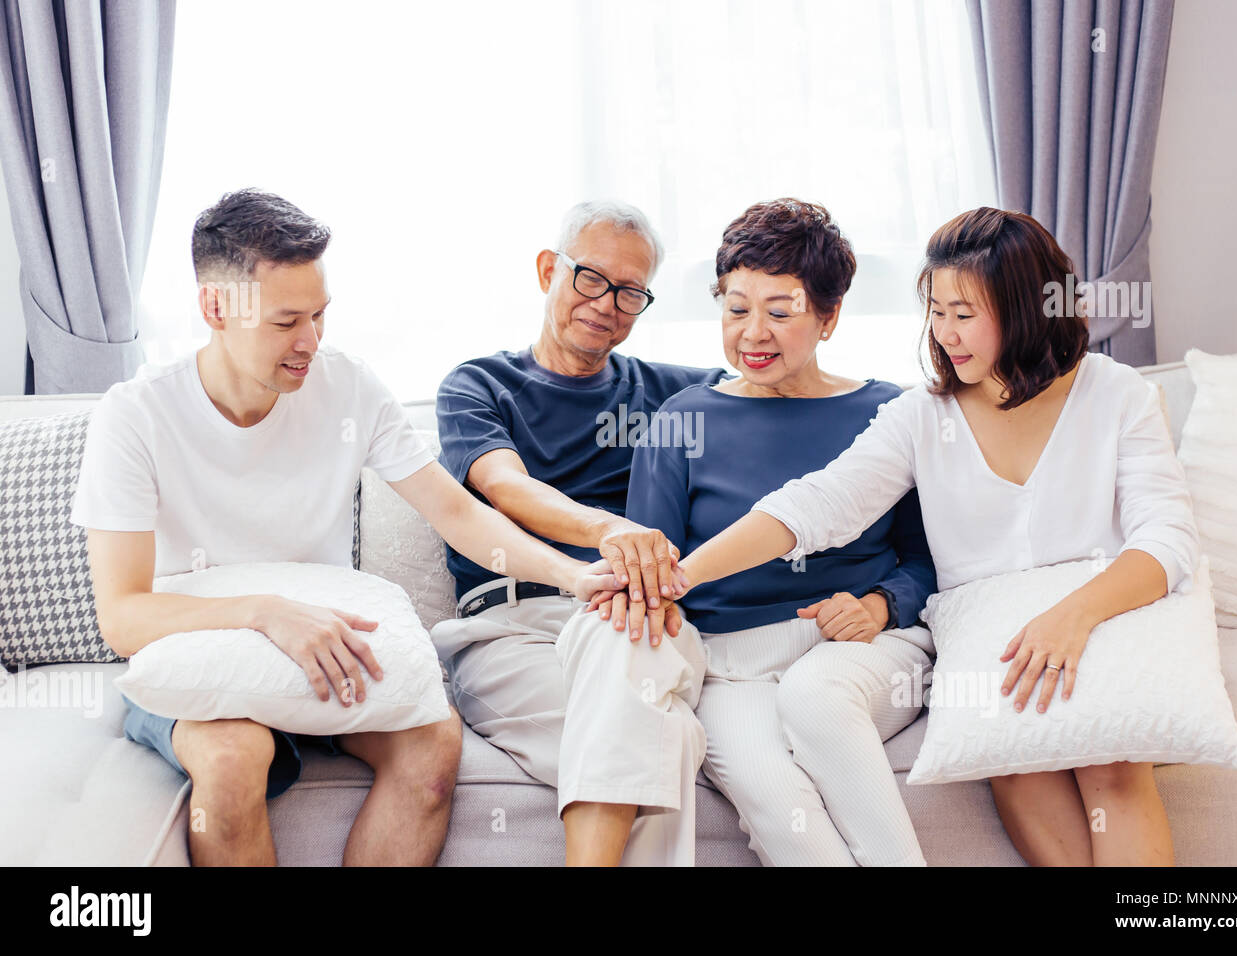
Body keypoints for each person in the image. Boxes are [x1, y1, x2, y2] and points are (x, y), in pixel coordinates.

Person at [633, 206, 1199, 866]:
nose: (945, 333)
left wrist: (1072, 618)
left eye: (964, 313)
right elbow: (821, 503)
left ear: (1024, 309)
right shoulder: (921, 414)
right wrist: (684, 574)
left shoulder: (1116, 393)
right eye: (936, 311)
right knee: (1020, 763)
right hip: (993, 635)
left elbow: (1168, 538)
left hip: (1103, 610)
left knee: (1113, 768)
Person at [72, 189, 616, 867]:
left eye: (320, 315)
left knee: (433, 747)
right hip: (201, 661)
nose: (311, 342)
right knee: (236, 757)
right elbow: (123, 617)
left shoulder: (348, 388)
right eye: (286, 322)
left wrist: (573, 572)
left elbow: (455, 511)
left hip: (328, 655)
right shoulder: (136, 416)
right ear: (216, 309)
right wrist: (268, 615)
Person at [578, 198, 938, 866]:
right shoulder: (681, 420)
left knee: (822, 706)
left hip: (863, 647)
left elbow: (928, 560)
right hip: (731, 665)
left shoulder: (890, 413)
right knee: (782, 811)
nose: (753, 333)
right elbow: (657, 566)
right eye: (736, 308)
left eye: (780, 311)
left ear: (828, 317)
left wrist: (880, 605)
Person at [430, 200, 727, 865]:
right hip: (507, 632)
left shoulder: (672, 394)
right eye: (590, 278)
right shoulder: (479, 384)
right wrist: (612, 531)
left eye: (629, 292)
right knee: (666, 738)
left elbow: (783, 389)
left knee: (623, 639)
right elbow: (505, 487)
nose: (606, 304)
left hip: (627, 619)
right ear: (548, 271)